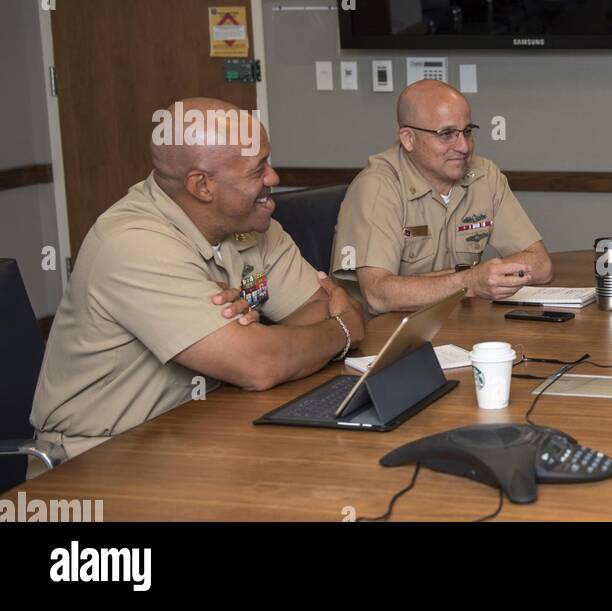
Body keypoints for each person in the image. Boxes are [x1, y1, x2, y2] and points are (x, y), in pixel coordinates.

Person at [30, 98, 366, 477]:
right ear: (202, 185)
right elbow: (261, 365)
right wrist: (343, 329)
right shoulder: (132, 244)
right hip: (101, 461)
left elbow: (315, 309)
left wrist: (264, 344)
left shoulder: (252, 223)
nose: (274, 178)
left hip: (207, 429)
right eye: (258, 170)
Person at [332, 80, 552, 315]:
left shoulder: (484, 175)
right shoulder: (377, 186)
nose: (464, 146)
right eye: (447, 134)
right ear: (408, 139)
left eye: (467, 131)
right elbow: (379, 295)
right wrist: (469, 280)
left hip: (453, 323)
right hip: (384, 337)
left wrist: (461, 280)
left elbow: (540, 264)